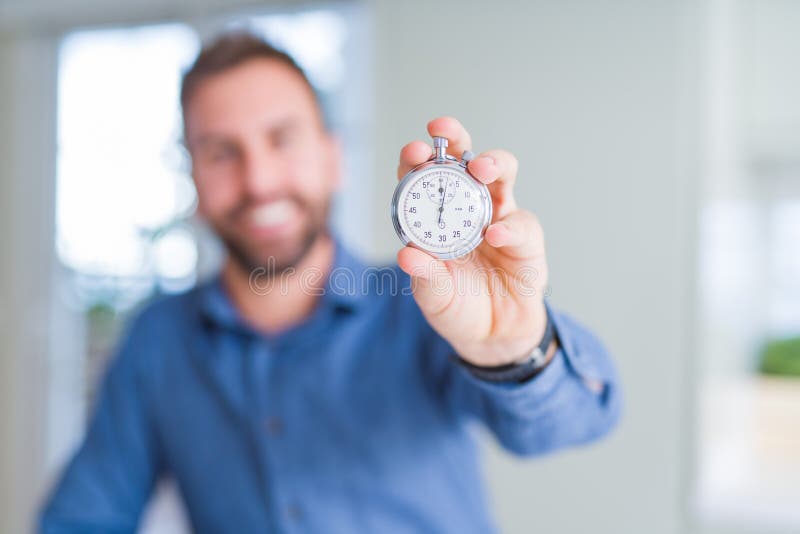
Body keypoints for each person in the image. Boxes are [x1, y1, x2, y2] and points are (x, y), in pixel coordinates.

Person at [40, 32, 621, 533]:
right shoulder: (159, 343)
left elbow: (573, 426)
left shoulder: (425, 308)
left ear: (333, 158)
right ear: (192, 178)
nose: (259, 180)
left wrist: (515, 350)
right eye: (221, 153)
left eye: (281, 138)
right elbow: (80, 519)